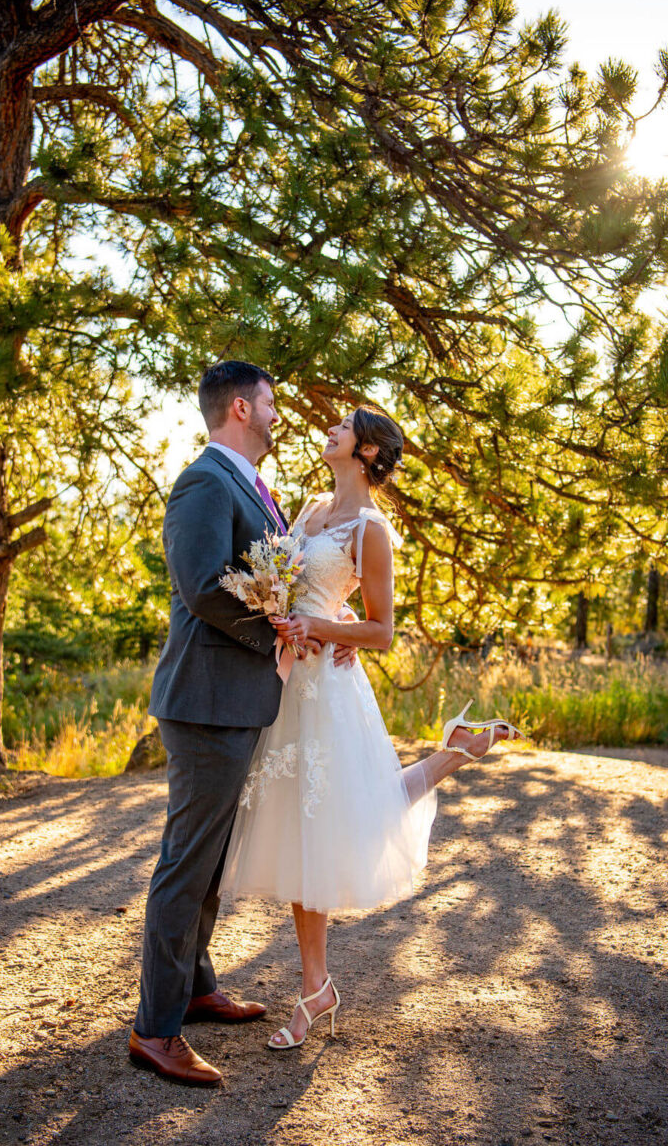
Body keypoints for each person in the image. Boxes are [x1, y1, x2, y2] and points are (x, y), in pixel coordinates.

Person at [219, 405, 521, 1049]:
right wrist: (291, 611)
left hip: (326, 684)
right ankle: (318, 985)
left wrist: (324, 627)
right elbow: (307, 587)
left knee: (328, 827)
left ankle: (312, 990)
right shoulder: (305, 509)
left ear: (365, 453)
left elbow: (382, 631)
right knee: (314, 830)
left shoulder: (372, 530)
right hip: (289, 681)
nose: (330, 429)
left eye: (344, 427)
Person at [129, 360, 357, 1087]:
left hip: (240, 700)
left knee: (209, 867)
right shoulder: (204, 481)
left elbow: (276, 580)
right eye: (269, 402)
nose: (277, 413)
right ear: (239, 408)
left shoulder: (255, 487)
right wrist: (275, 636)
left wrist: (325, 625)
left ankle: (194, 988)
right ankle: (155, 1029)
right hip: (205, 701)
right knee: (185, 863)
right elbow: (200, 588)